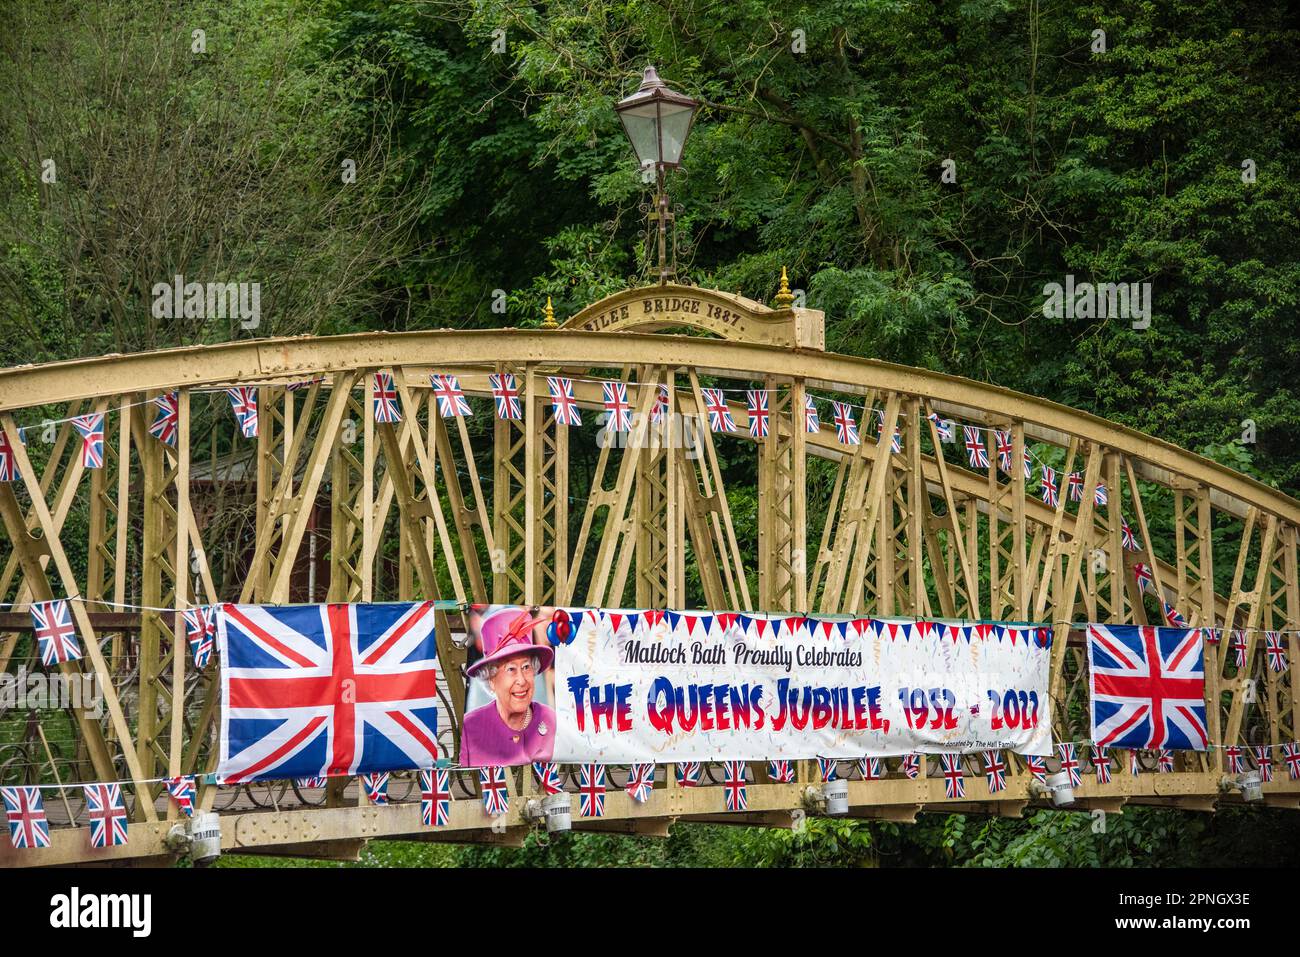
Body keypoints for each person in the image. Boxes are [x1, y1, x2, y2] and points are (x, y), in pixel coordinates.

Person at [460, 607, 556, 767]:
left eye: (526, 667)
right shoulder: (473, 726)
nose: (521, 680)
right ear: (491, 679)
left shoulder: (550, 719)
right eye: (511, 669)